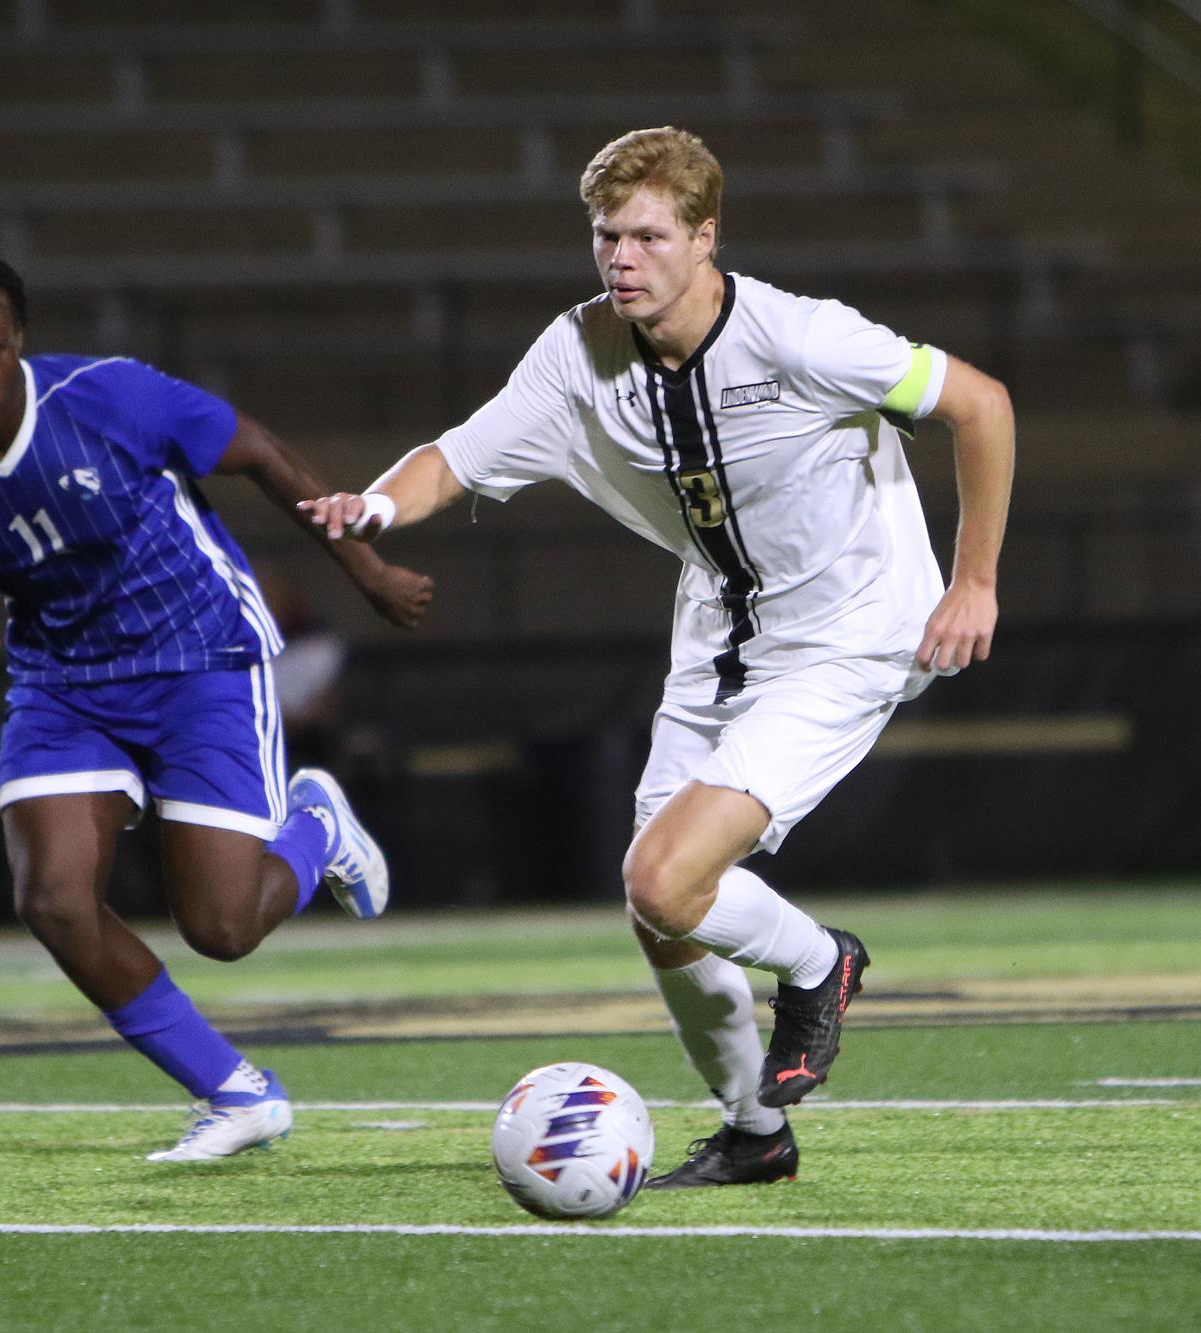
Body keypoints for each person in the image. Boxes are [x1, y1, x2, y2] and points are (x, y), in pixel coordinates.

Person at [302, 128, 1013, 1188]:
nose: (620, 258)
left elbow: (980, 404)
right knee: (659, 911)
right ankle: (752, 1132)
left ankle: (822, 963)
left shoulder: (798, 336)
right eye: (604, 236)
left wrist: (974, 581)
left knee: (663, 875)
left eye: (646, 235)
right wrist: (376, 503)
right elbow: (458, 452)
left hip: (850, 634)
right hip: (717, 638)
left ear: (703, 238)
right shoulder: (579, 349)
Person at [0, 248, 434, 1162]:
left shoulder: (110, 397)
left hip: (198, 655)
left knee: (222, 928)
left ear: (18, 344)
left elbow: (266, 453)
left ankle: (316, 825)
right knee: (52, 898)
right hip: (60, 682)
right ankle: (237, 1093)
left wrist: (367, 570)